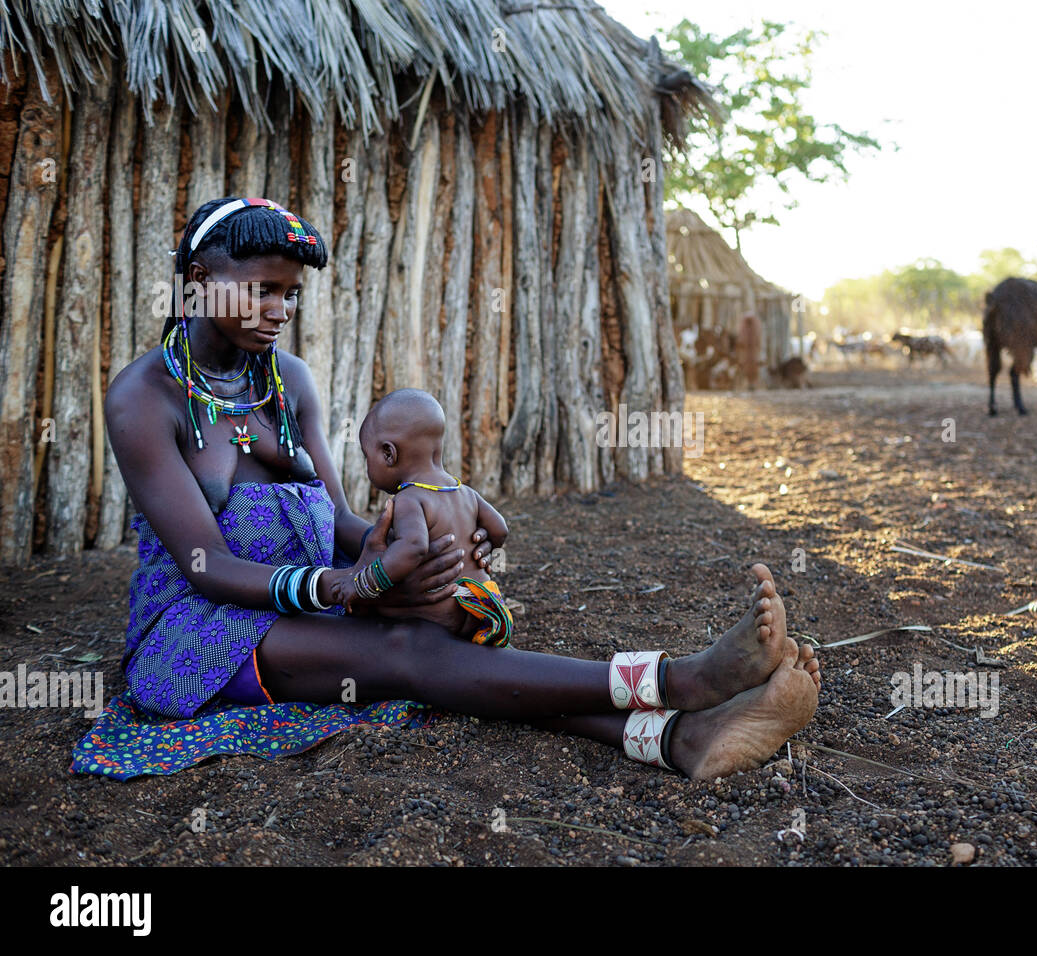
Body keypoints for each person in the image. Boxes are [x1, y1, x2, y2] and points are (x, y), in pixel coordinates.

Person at [78, 195, 821, 781]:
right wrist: (341, 588)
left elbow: (334, 516)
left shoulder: (288, 382)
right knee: (409, 657)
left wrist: (418, 554)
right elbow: (208, 565)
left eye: (290, 295)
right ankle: (681, 680)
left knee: (443, 645)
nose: (280, 311)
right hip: (200, 630)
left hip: (308, 599)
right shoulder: (144, 400)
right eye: (263, 291)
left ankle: (679, 742)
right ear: (201, 283)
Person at [332, 388, 513, 647]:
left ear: (388, 454)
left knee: (372, 613)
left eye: (366, 456)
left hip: (442, 612)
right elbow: (499, 529)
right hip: (483, 604)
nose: (367, 466)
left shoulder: (410, 499)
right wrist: (482, 549)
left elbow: (414, 547)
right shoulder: (466, 492)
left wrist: (363, 585)